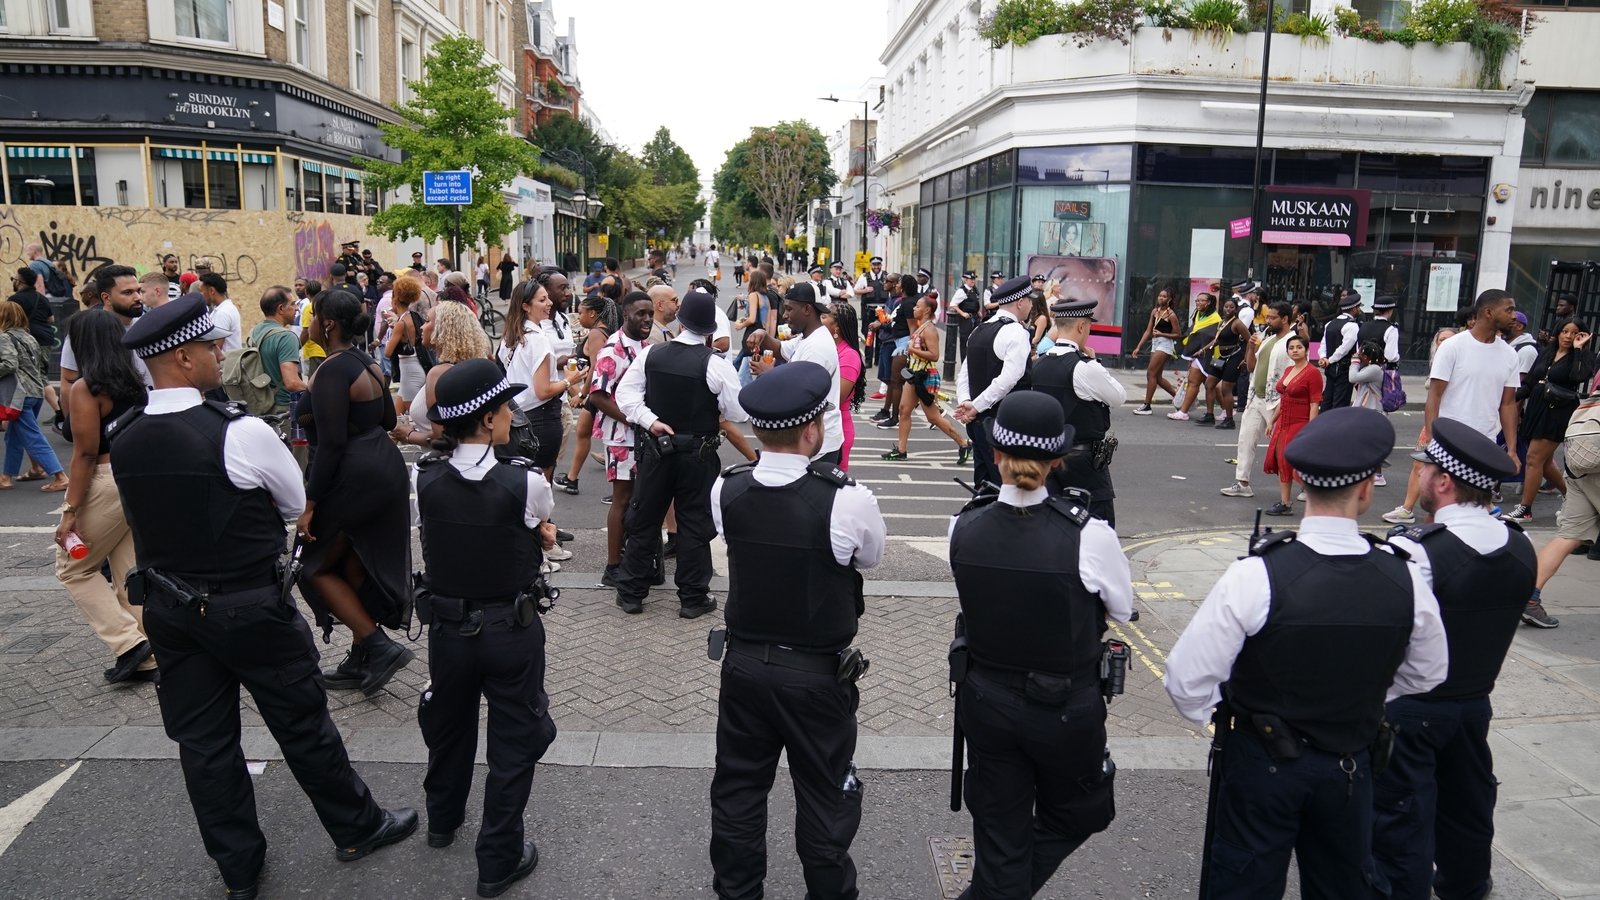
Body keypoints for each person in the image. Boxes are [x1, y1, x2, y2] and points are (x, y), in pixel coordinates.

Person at [110, 295, 416, 899]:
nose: (220, 352)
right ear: (181, 356)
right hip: (249, 606)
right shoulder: (239, 431)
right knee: (302, 725)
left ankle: (240, 871)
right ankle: (357, 826)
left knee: (203, 744)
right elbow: (291, 505)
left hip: (170, 609)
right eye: (209, 347)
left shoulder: (127, 435)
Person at [1165, 406, 1448, 900]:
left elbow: (1186, 680)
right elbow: (1428, 673)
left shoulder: (1257, 574)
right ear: (1365, 491)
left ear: (1301, 484)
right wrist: (1361, 697)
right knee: (1344, 886)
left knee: (1242, 886)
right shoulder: (1405, 577)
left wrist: (1232, 722)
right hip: (1350, 764)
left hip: (1260, 761)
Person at [707, 360, 886, 900]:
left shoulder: (728, 489)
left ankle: (738, 892)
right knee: (824, 795)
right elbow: (870, 557)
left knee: (738, 790)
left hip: (742, 666)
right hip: (814, 678)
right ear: (811, 431)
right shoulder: (846, 498)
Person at [948, 390, 1130, 899]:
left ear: (997, 454)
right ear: (1056, 461)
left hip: (985, 700)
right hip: (1065, 707)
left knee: (1002, 838)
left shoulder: (963, 523)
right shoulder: (1089, 534)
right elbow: (1119, 608)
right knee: (1084, 812)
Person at [412, 358, 557, 898]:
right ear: (492, 417)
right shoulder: (524, 480)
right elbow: (537, 527)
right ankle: (497, 857)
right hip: (509, 629)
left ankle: (443, 820)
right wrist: (543, 534)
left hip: (448, 629)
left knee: (448, 726)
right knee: (513, 740)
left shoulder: (425, 477)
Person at [1375, 417, 1535, 900]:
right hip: (1474, 705)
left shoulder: (1415, 551)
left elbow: (1390, 637)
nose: (1419, 476)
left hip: (1409, 710)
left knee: (1401, 820)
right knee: (1467, 810)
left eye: (1424, 468)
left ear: (1443, 481)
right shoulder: (1520, 545)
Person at [295, 288, 415, 696]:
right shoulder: (369, 364)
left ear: (327, 323)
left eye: (314, 315)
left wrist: (309, 505)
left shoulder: (331, 371)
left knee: (314, 566)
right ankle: (362, 655)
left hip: (352, 475)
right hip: (383, 466)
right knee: (352, 563)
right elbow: (384, 419)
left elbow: (329, 445)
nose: (309, 321)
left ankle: (378, 646)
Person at [613, 290, 746, 617]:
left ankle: (631, 592)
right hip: (698, 455)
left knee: (644, 519)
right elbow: (738, 411)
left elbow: (625, 395)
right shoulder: (715, 364)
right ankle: (692, 597)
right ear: (710, 329)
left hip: (656, 451)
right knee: (694, 524)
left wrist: (651, 420)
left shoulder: (651, 354)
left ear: (682, 320)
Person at [53, 309, 155, 684]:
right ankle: (152, 651)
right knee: (128, 572)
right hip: (137, 479)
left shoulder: (86, 388)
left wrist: (70, 512)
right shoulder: (136, 384)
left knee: (73, 568)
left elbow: (84, 455)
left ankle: (129, 644)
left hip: (106, 480)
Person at [1385, 290, 1524, 526]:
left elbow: (1508, 404)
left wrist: (1511, 449)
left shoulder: (1510, 354)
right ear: (1489, 313)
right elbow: (1434, 397)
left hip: (1485, 443)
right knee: (1439, 506)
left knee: (1475, 508)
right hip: (1449, 442)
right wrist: (1432, 439)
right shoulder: (1453, 347)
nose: (1515, 316)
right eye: (1509, 310)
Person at [1029, 296, 1126, 525]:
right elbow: (1118, 396)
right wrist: (1095, 363)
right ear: (1081, 326)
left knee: (1053, 521)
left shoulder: (1039, 364)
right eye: (1089, 326)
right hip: (1082, 460)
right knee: (1097, 523)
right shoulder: (1084, 367)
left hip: (1048, 455)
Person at [588, 291, 654, 587]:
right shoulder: (612, 349)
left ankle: (634, 559)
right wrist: (633, 418)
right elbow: (597, 395)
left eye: (650, 314)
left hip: (639, 435)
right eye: (641, 314)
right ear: (626, 315)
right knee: (623, 500)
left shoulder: (643, 345)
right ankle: (613, 566)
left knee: (640, 499)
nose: (648, 319)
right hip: (621, 437)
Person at [744, 283, 846, 466]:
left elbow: (800, 393)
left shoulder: (817, 348)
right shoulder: (808, 336)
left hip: (818, 446)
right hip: (811, 440)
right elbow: (781, 348)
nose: (784, 315)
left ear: (807, 309)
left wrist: (770, 374)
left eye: (789, 309)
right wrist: (762, 334)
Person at [1504, 319, 1592, 522]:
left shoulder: (1582, 357)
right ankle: (1573, 498)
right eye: (1565, 331)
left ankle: (1525, 509)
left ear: (1582, 336)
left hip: (1558, 413)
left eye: (1575, 333)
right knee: (1543, 463)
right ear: (1558, 332)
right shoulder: (1546, 351)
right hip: (1537, 409)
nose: (1569, 336)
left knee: (1533, 458)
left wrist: (1578, 350)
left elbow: (1578, 376)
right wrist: (1508, 400)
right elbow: (1531, 382)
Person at [955, 276, 1035, 489]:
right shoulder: (1016, 332)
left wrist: (967, 402)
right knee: (1006, 488)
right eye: (1029, 300)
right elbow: (1009, 379)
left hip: (977, 423)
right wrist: (975, 406)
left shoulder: (979, 329)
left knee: (983, 485)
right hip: (1003, 422)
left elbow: (964, 374)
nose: (1031, 304)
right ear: (1020, 302)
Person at [497, 278, 575, 479]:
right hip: (541, 418)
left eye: (548, 298)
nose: (549, 303)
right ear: (526, 306)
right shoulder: (538, 340)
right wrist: (570, 381)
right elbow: (543, 391)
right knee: (541, 481)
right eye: (542, 300)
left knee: (521, 480)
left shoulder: (512, 335)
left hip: (518, 415)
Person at [880, 293, 972, 464]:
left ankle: (964, 443)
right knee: (904, 410)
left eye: (917, 306)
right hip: (914, 375)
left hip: (926, 377)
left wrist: (913, 350)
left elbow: (934, 355)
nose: (914, 308)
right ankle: (901, 450)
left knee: (933, 417)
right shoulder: (920, 326)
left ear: (927, 310)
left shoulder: (929, 329)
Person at [1222, 302, 1293, 500]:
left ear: (1285, 319)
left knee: (1285, 447)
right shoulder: (1268, 339)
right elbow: (1251, 366)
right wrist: (1251, 348)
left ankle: (1306, 483)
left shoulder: (1292, 342)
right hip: (1256, 398)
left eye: (1272, 318)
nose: (1268, 321)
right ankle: (1242, 483)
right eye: (1268, 317)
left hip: (1276, 402)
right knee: (1246, 439)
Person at [0, 301, 67, 492]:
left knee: (33, 437)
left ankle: (60, 476)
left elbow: (9, 364)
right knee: (13, 437)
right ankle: (6, 477)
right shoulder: (29, 338)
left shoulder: (5, 338)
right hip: (35, 391)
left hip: (18, 394)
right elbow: (40, 365)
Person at [555, 294, 616, 496]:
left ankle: (621, 489)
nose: (578, 317)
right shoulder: (601, 331)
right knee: (582, 432)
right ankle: (572, 479)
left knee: (608, 438)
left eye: (580, 313)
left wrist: (582, 393)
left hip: (598, 391)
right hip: (599, 390)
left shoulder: (597, 334)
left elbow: (596, 367)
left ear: (593, 313)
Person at [1262, 334, 1323, 516]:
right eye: (1291, 348)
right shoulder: (1289, 370)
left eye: (1299, 347)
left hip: (1300, 424)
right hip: (1283, 423)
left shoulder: (1313, 373)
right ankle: (1285, 503)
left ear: (1306, 350)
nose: (1295, 350)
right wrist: (1272, 420)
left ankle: (1322, 500)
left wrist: (1311, 431)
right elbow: (1284, 398)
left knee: (1297, 465)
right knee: (1282, 462)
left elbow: (1314, 404)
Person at [251, 286, 309, 415]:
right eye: (293, 304)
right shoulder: (286, 337)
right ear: (281, 309)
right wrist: (317, 392)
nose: (297, 308)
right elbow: (292, 383)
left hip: (261, 403)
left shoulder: (256, 331)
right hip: (282, 409)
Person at [869, 274, 916, 427]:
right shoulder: (902, 302)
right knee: (896, 381)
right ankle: (894, 414)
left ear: (902, 286)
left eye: (898, 283)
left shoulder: (907, 303)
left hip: (902, 344)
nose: (895, 285)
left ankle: (895, 417)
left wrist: (910, 346)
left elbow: (913, 328)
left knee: (896, 382)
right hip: (897, 342)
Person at [1168, 292, 1221, 422]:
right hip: (1196, 355)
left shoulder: (1215, 319)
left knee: (1194, 382)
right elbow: (1193, 332)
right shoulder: (1198, 315)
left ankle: (1183, 412)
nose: (1197, 303)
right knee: (1210, 384)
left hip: (1208, 355)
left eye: (1201, 301)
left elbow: (1213, 338)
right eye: (1196, 301)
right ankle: (1226, 410)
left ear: (1208, 303)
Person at [380, 277, 429, 416]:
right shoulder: (413, 316)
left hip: (409, 373)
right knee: (397, 414)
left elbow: (388, 353)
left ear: (395, 299)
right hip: (415, 367)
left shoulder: (400, 324)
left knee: (417, 415)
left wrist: (393, 332)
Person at [827, 301, 866, 470]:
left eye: (824, 316)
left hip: (837, 430)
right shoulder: (829, 348)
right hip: (825, 427)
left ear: (836, 326)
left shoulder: (849, 355)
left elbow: (837, 397)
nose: (819, 319)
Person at [1130, 287, 1181, 414]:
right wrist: (1138, 347)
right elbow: (1148, 331)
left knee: (1150, 373)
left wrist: (1162, 334)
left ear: (1169, 299)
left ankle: (1147, 406)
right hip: (1155, 343)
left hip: (1165, 344)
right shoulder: (1154, 311)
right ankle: (1179, 398)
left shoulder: (1171, 315)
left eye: (1164, 296)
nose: (1161, 298)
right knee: (1157, 377)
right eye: (1159, 296)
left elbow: (1178, 334)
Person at [1205, 297, 1250, 430]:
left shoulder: (1237, 323)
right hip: (1220, 356)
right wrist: (1203, 349)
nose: (1228, 309)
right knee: (1209, 383)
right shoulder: (1222, 322)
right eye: (1226, 306)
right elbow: (1217, 340)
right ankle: (1209, 415)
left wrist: (1246, 359)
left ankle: (1229, 420)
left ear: (1236, 309)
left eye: (1231, 307)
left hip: (1234, 357)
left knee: (1226, 389)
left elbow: (1250, 341)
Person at [1317, 289, 1362, 411]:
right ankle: (1335, 428)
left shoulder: (1330, 323)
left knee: (1327, 401)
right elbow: (1344, 349)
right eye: (1358, 307)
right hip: (1344, 370)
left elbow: (1323, 344)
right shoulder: (1352, 326)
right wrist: (1329, 360)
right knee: (1340, 404)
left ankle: (1323, 426)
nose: (1359, 310)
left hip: (1330, 369)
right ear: (1353, 309)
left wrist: (1323, 358)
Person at [853, 257, 890, 365]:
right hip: (868, 310)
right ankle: (868, 360)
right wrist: (865, 290)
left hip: (882, 311)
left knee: (881, 335)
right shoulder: (864, 277)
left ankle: (878, 360)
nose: (876, 267)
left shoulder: (886, 276)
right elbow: (855, 290)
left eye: (878, 264)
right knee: (869, 334)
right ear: (871, 265)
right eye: (874, 265)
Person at [197, 273, 243, 353]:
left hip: (225, 363)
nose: (200, 295)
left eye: (201, 291)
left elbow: (216, 348)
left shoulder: (222, 313)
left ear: (212, 291)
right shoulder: (225, 308)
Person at [948, 270, 981, 361]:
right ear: (965, 280)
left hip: (975, 318)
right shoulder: (961, 291)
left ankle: (973, 361)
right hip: (966, 320)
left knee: (975, 340)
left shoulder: (974, 289)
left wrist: (978, 312)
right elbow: (953, 304)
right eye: (971, 279)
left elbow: (975, 303)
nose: (973, 281)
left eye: (974, 279)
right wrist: (962, 313)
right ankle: (964, 362)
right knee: (965, 341)